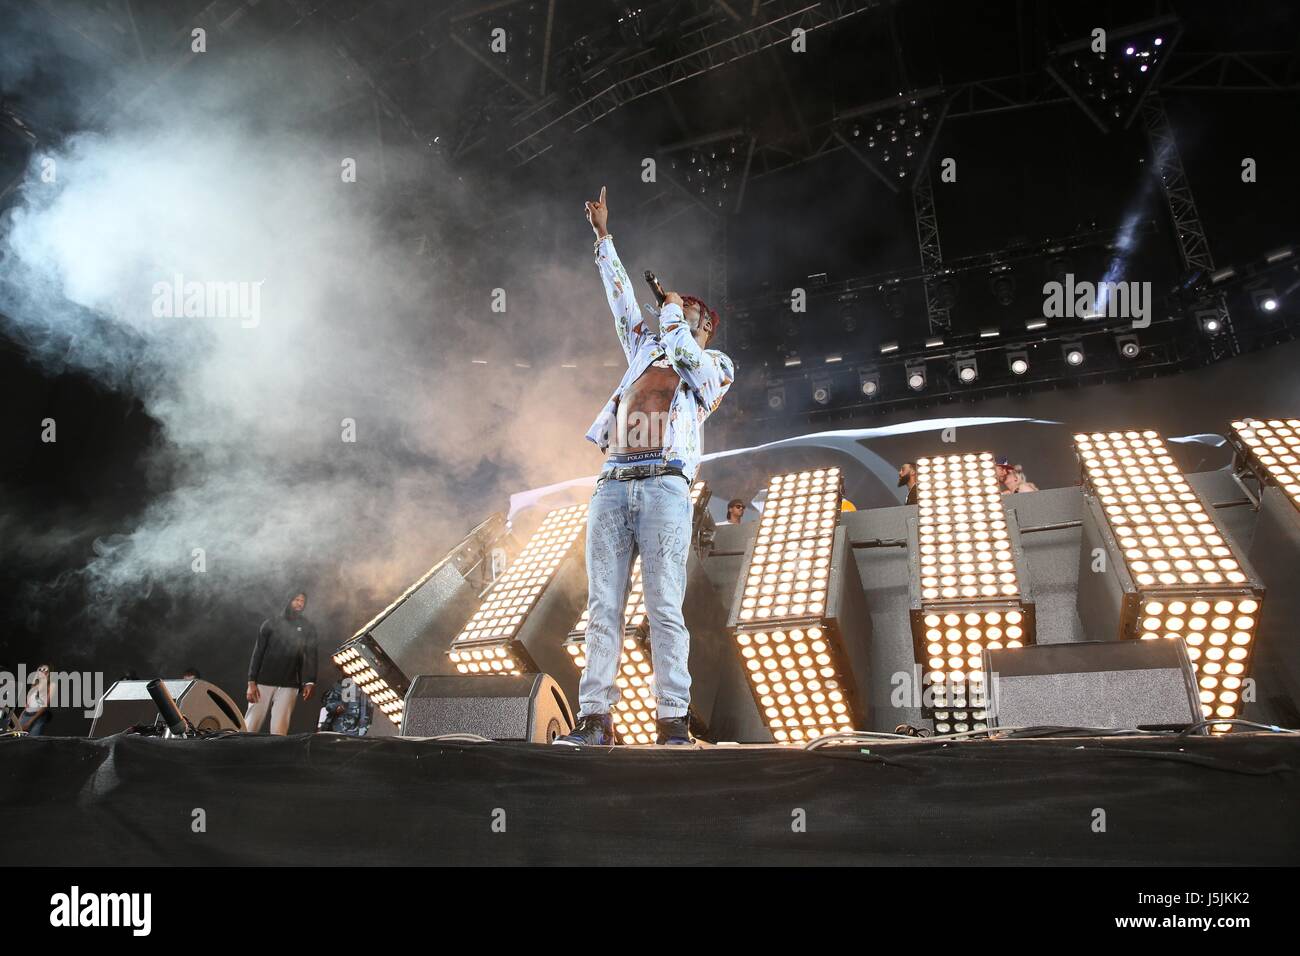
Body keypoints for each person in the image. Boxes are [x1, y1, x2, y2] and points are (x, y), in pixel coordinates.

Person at [555, 186, 735, 747]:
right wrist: (604, 239)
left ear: (705, 326)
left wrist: (676, 313)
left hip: (664, 487)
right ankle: (595, 719)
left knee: (663, 608)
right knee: (602, 607)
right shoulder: (641, 352)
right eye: (675, 312)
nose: (672, 316)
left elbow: (684, 354)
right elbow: (622, 304)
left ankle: (673, 720)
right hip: (613, 484)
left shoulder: (714, 365)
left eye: (688, 313)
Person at [245, 590, 318, 735]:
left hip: (289, 684)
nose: (300, 604)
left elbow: (311, 655)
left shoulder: (307, 627)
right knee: (250, 726)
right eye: (297, 600)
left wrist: (311, 681)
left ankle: (277, 750)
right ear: (289, 600)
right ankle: (240, 748)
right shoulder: (271, 623)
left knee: (279, 729)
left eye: (302, 601)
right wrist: (251, 682)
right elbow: (258, 653)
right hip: (263, 682)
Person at [19, 663, 52, 735]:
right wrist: (20, 717)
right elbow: (27, 705)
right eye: (40, 670)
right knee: (19, 739)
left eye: (45, 670)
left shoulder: (50, 686)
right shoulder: (34, 685)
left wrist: (30, 722)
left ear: (48, 673)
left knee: (33, 739)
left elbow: (44, 706)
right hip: (26, 715)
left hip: (38, 717)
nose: (42, 671)